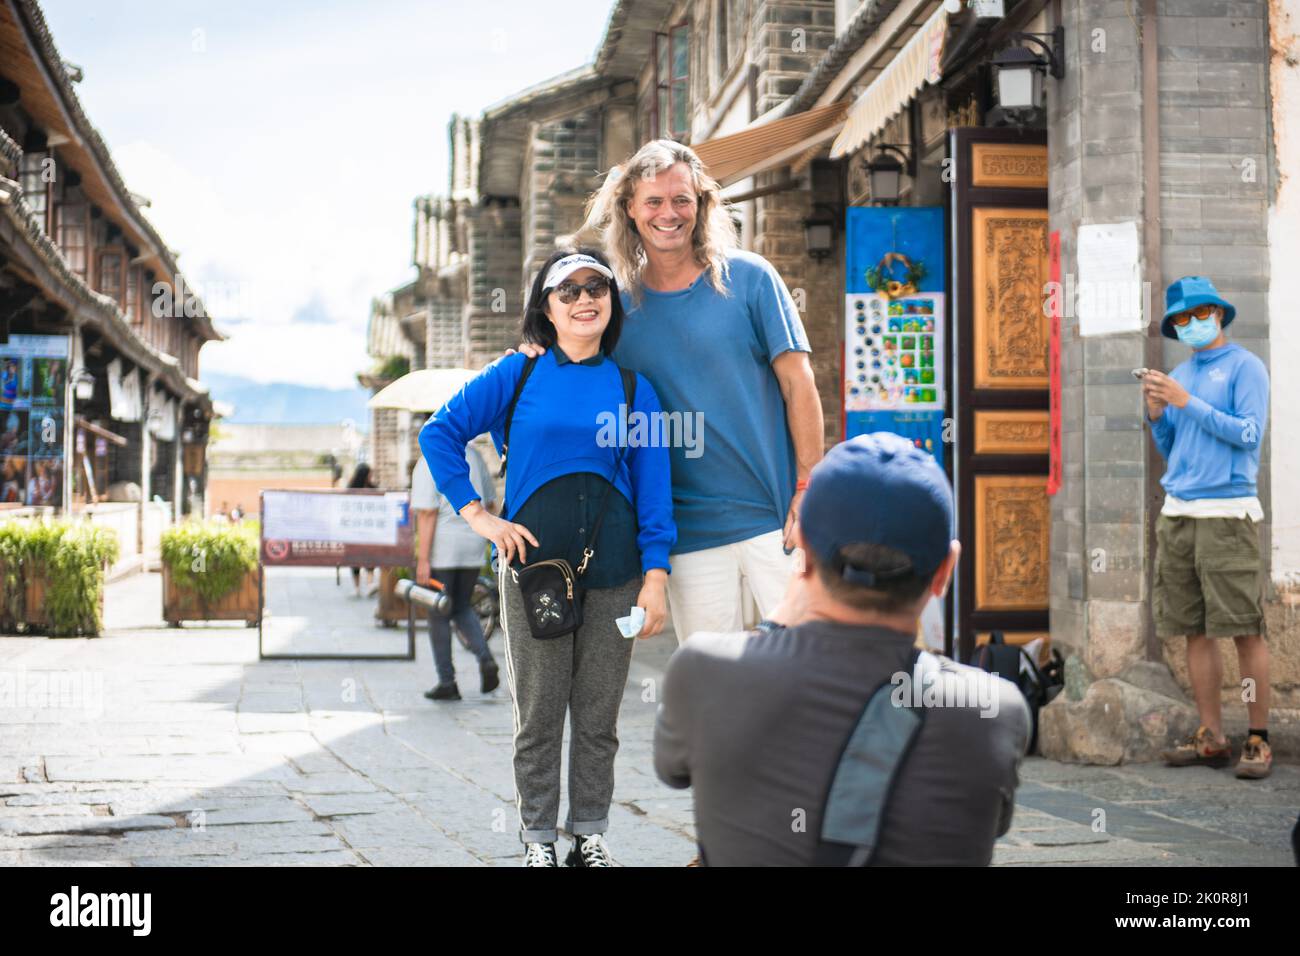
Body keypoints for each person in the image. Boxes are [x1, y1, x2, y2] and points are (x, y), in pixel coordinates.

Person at [653, 433, 1031, 866]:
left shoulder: (704, 672)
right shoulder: (994, 711)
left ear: (806, 554)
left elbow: (673, 768)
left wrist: (772, 626)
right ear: (945, 570)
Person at [421, 249, 676, 867]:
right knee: (538, 712)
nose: (585, 299)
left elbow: (655, 489)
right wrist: (476, 513)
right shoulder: (520, 374)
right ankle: (537, 839)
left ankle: (588, 834)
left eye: (598, 288)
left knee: (598, 715)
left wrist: (656, 577)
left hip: (616, 571)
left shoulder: (636, 389)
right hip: (534, 570)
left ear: (611, 303)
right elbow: (439, 432)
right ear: (546, 307)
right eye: (569, 292)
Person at [521, 139, 824, 643]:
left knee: (811, 665)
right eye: (654, 202)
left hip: (777, 519)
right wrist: (531, 354)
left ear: (701, 205)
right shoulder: (614, 307)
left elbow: (799, 383)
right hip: (690, 536)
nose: (670, 213)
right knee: (715, 687)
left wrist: (808, 487)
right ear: (631, 211)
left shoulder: (750, 279)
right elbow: (573, 366)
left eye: (682, 199)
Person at [1143, 276, 1272, 779]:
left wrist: (1182, 401)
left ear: (1219, 314)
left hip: (1228, 515)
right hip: (1179, 515)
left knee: (1243, 629)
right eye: (1182, 318)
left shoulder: (1245, 367)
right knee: (1193, 630)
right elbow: (1175, 452)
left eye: (1200, 313)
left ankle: (1258, 738)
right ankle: (1211, 735)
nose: (1192, 323)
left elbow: (1248, 433)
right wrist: (1158, 414)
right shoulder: (1181, 372)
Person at [410, 450, 499, 701]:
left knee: (438, 612)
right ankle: (486, 658)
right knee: (461, 606)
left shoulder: (430, 457)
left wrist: (423, 559)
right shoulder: (475, 455)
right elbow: (491, 502)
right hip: (472, 544)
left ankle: (447, 681)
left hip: (443, 549)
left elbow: (427, 512)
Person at [345, 464, 377, 597]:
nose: (371, 476)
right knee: (355, 559)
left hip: (367, 529)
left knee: (370, 558)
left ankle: (368, 585)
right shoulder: (352, 489)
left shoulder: (373, 488)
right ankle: (358, 588)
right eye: (370, 474)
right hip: (357, 530)